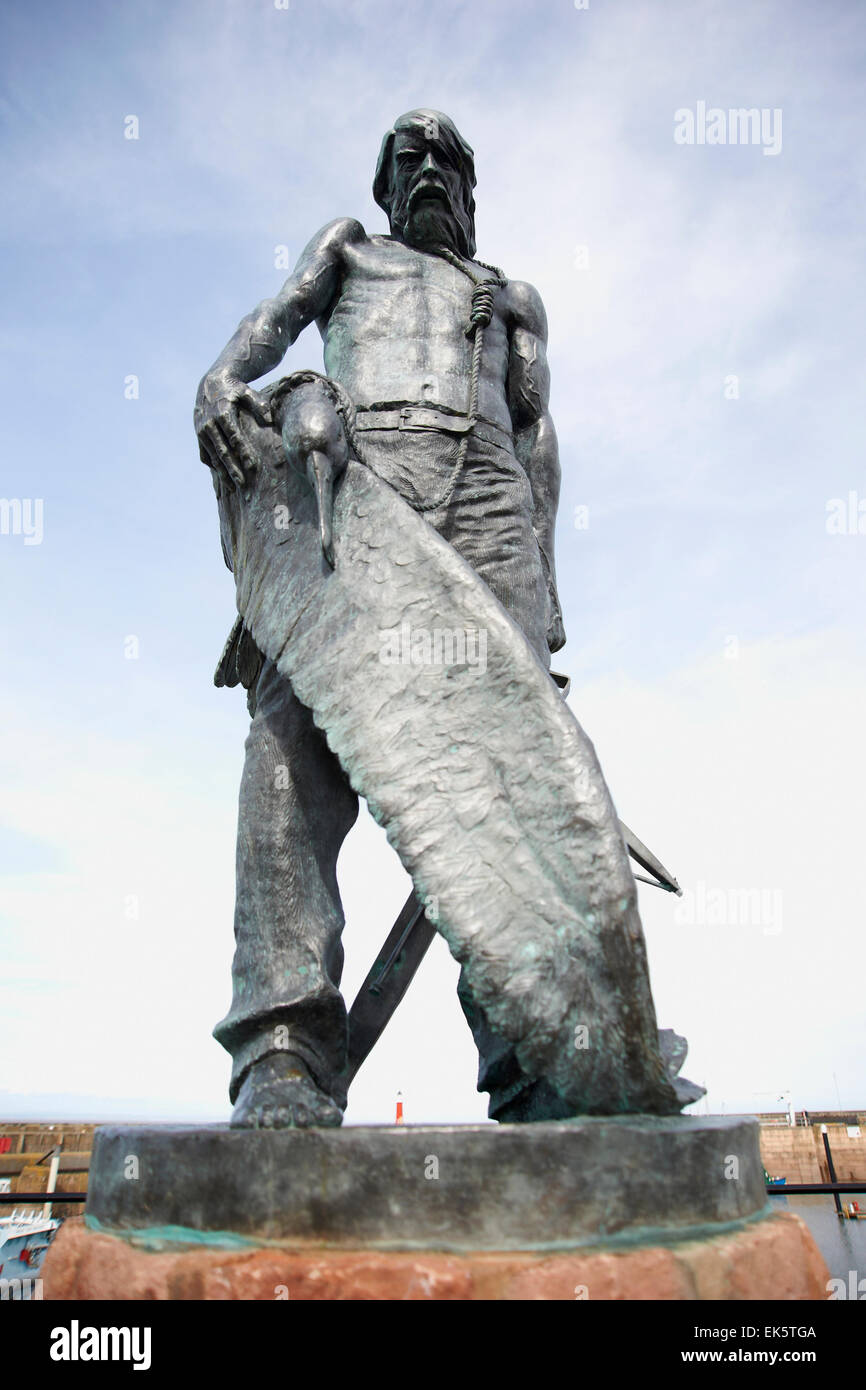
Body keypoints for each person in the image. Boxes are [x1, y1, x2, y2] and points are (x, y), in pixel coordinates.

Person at [194, 111, 584, 1128]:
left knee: (512, 784)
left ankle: (536, 1049)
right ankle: (281, 1050)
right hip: (355, 481)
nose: (420, 168)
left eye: (440, 156)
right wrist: (217, 384)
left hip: (487, 499)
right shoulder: (347, 250)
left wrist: (544, 591)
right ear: (382, 186)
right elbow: (267, 326)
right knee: (292, 740)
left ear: (468, 182)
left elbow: (538, 438)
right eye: (402, 158)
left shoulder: (513, 298)